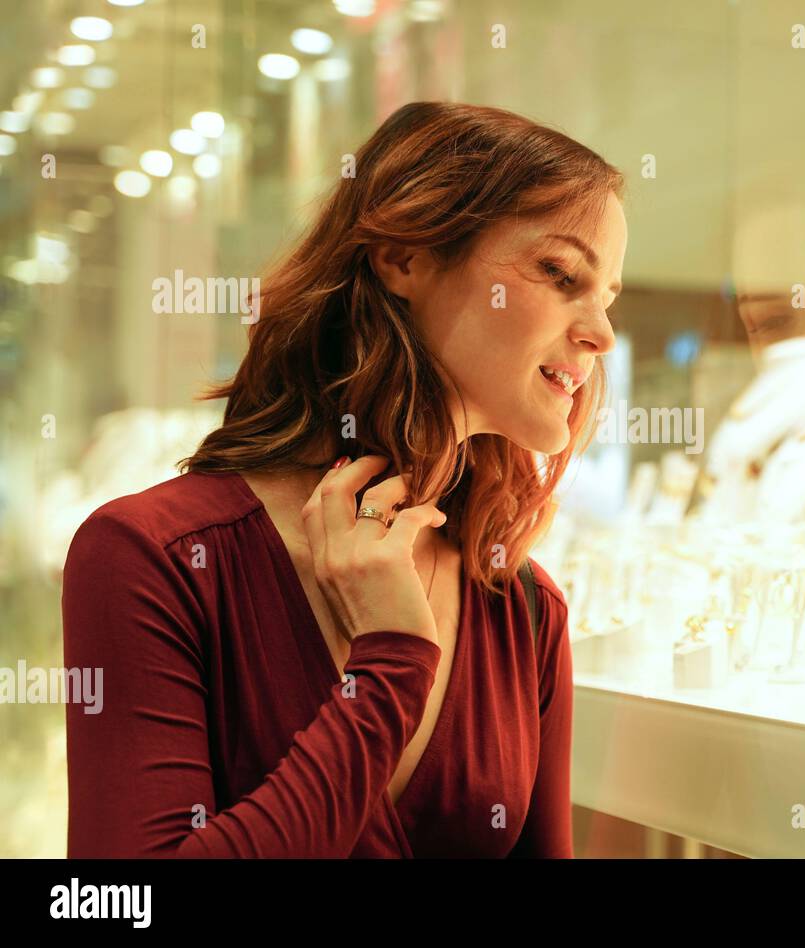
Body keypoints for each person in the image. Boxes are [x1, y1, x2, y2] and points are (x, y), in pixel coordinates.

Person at [62, 101, 626, 857]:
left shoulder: (522, 609)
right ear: (405, 257)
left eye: (608, 297)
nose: (601, 333)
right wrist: (392, 668)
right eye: (560, 274)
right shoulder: (153, 555)